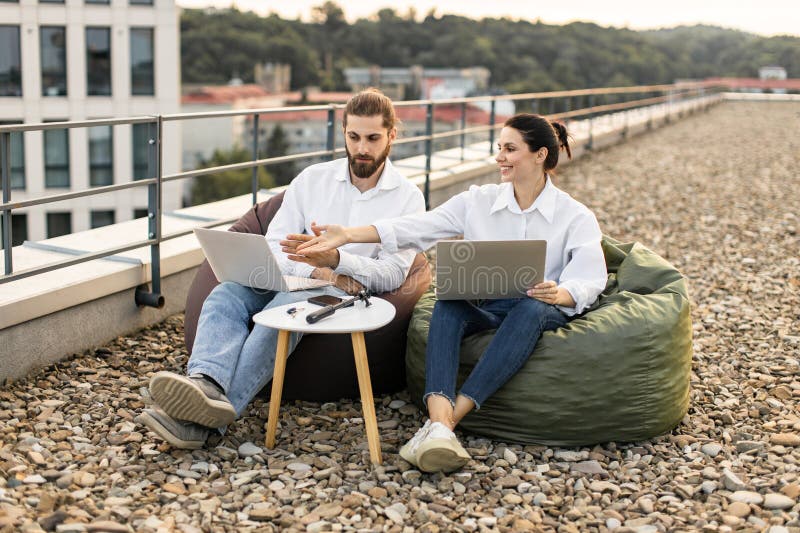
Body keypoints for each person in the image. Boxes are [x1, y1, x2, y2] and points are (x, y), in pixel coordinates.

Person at [288, 113, 608, 472]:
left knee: (530, 307)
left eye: (509, 149)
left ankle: (446, 422)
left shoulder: (574, 215)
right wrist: (348, 234)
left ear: (540, 155)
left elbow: (591, 277)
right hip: (488, 305)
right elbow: (416, 227)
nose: (499, 156)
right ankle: (440, 424)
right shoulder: (478, 201)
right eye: (499, 147)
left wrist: (560, 292)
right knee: (448, 304)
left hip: (540, 309)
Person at [136, 88, 426, 449]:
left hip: (341, 294)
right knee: (224, 293)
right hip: (301, 276)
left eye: (372, 138)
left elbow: (394, 274)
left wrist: (337, 262)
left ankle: (205, 424)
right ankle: (205, 382)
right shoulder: (312, 180)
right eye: (354, 137)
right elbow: (274, 245)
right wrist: (322, 271)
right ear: (343, 133)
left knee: (276, 320)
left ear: (392, 135)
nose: (362, 148)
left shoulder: (408, 197)